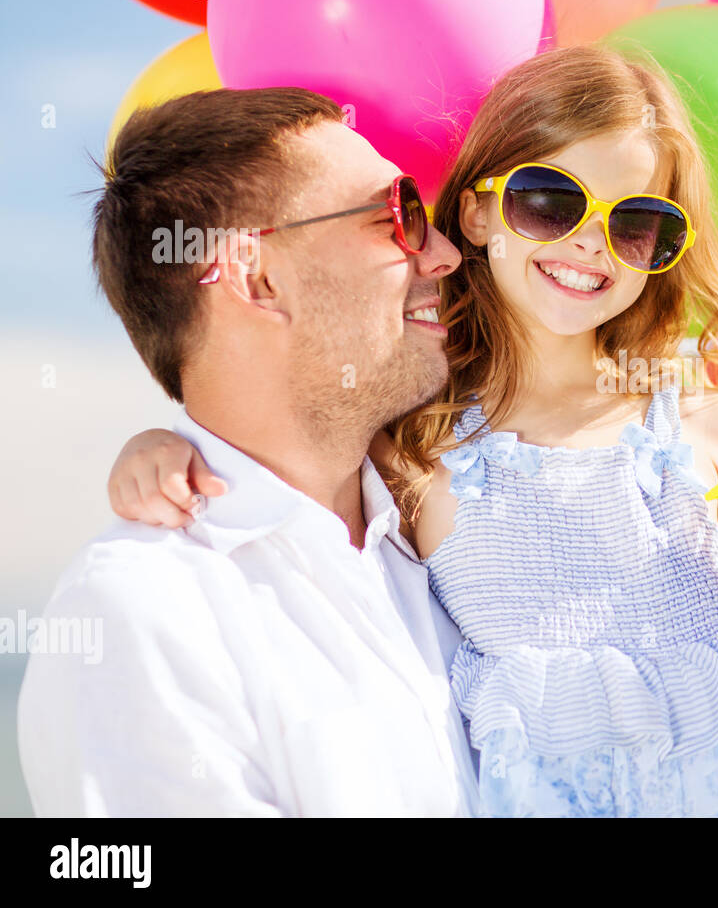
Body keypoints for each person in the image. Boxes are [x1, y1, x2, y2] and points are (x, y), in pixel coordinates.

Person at [102, 44, 718, 817]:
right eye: (550, 202)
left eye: (636, 223)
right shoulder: (413, 446)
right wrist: (162, 447)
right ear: (480, 214)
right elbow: (281, 439)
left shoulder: (711, 426)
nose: (590, 243)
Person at [18, 87, 479, 815]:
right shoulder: (138, 615)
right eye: (400, 213)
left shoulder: (454, 545)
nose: (446, 253)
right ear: (256, 277)